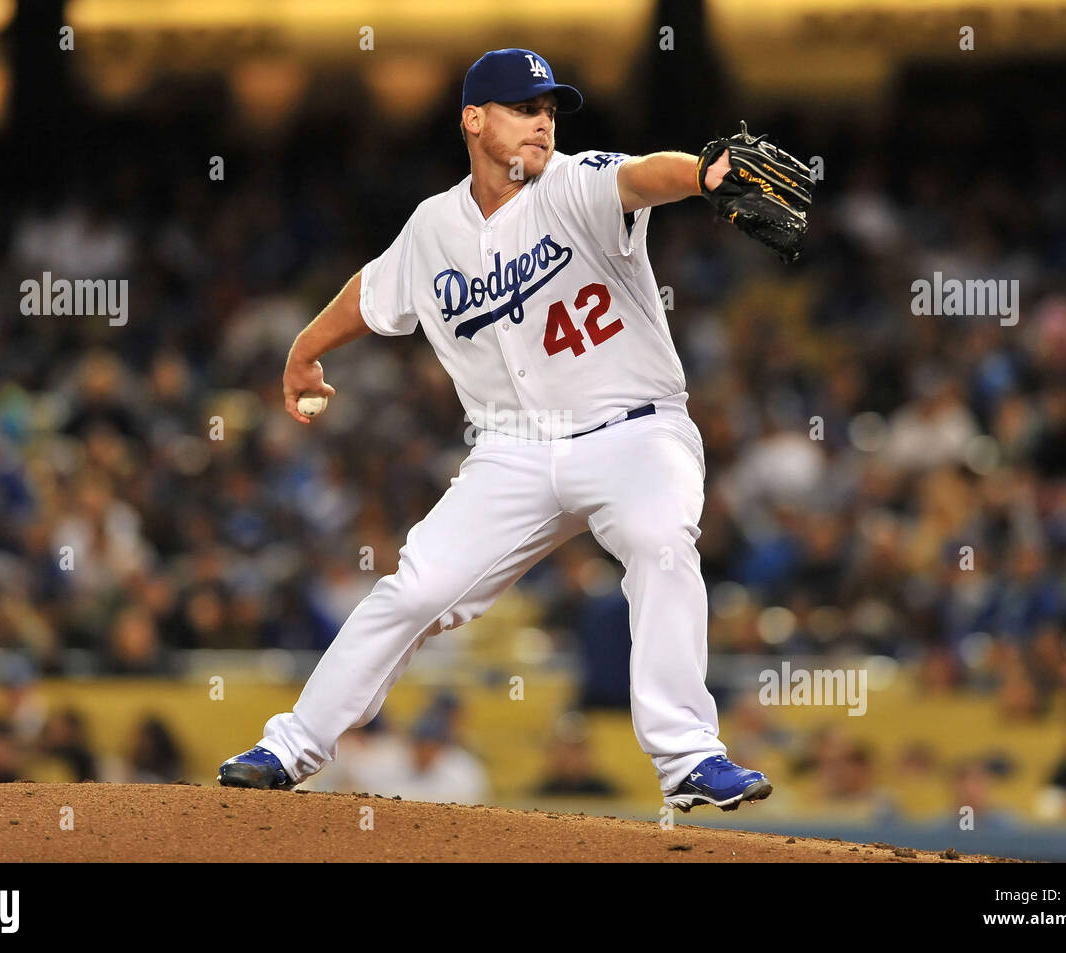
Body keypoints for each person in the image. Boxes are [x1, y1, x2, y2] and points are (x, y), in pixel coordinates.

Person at [220, 48, 794, 812]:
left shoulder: (573, 185)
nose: (543, 124)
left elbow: (639, 176)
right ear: (474, 119)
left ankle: (689, 756)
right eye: (527, 109)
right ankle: (290, 746)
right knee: (414, 589)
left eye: (550, 111)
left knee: (660, 542)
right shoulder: (434, 227)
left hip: (633, 433)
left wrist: (703, 173)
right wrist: (305, 350)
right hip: (511, 453)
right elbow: (376, 289)